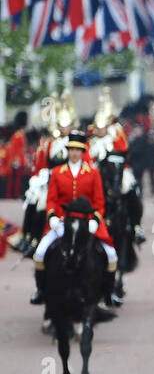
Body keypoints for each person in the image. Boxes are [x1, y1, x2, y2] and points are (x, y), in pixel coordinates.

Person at [30, 131, 120, 308]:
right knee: (39, 253)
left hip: (88, 221)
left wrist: (95, 219)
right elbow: (52, 200)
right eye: (71, 150)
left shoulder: (93, 173)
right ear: (68, 151)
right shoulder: (57, 172)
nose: (74, 153)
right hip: (62, 222)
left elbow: (99, 201)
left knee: (111, 255)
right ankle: (41, 290)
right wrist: (53, 217)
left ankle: (109, 293)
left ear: (83, 152)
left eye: (78, 150)